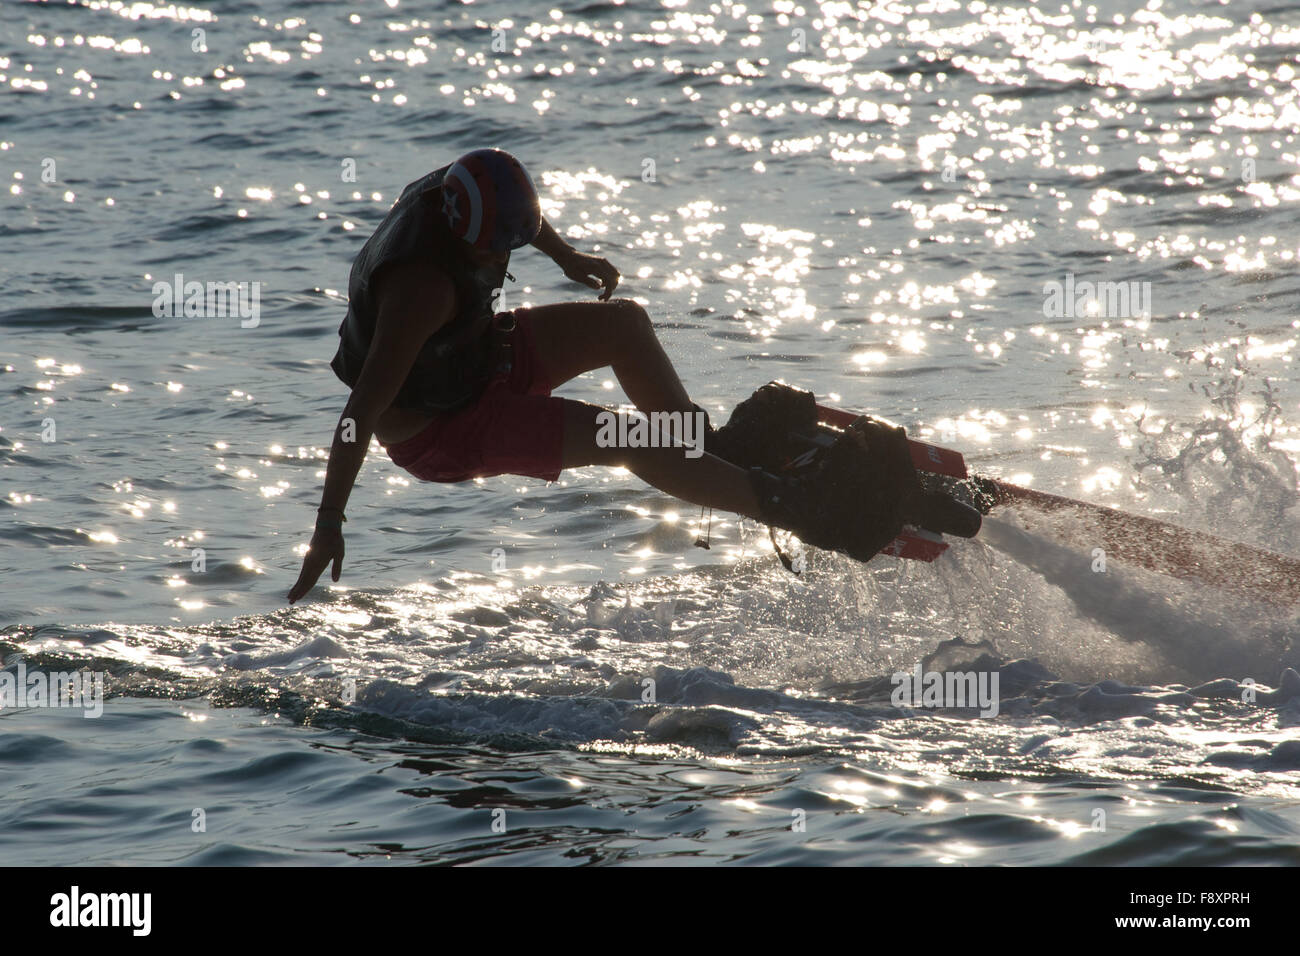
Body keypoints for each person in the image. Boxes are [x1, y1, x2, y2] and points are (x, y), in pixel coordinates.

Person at [287, 147, 830, 604]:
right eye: (498, 247)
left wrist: (565, 256)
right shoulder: (422, 294)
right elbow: (359, 413)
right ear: (465, 237)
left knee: (624, 325)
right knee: (631, 438)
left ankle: (712, 459)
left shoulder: (463, 185)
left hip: (477, 356)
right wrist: (329, 520)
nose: (505, 255)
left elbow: (522, 220)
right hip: (442, 430)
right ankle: (784, 506)